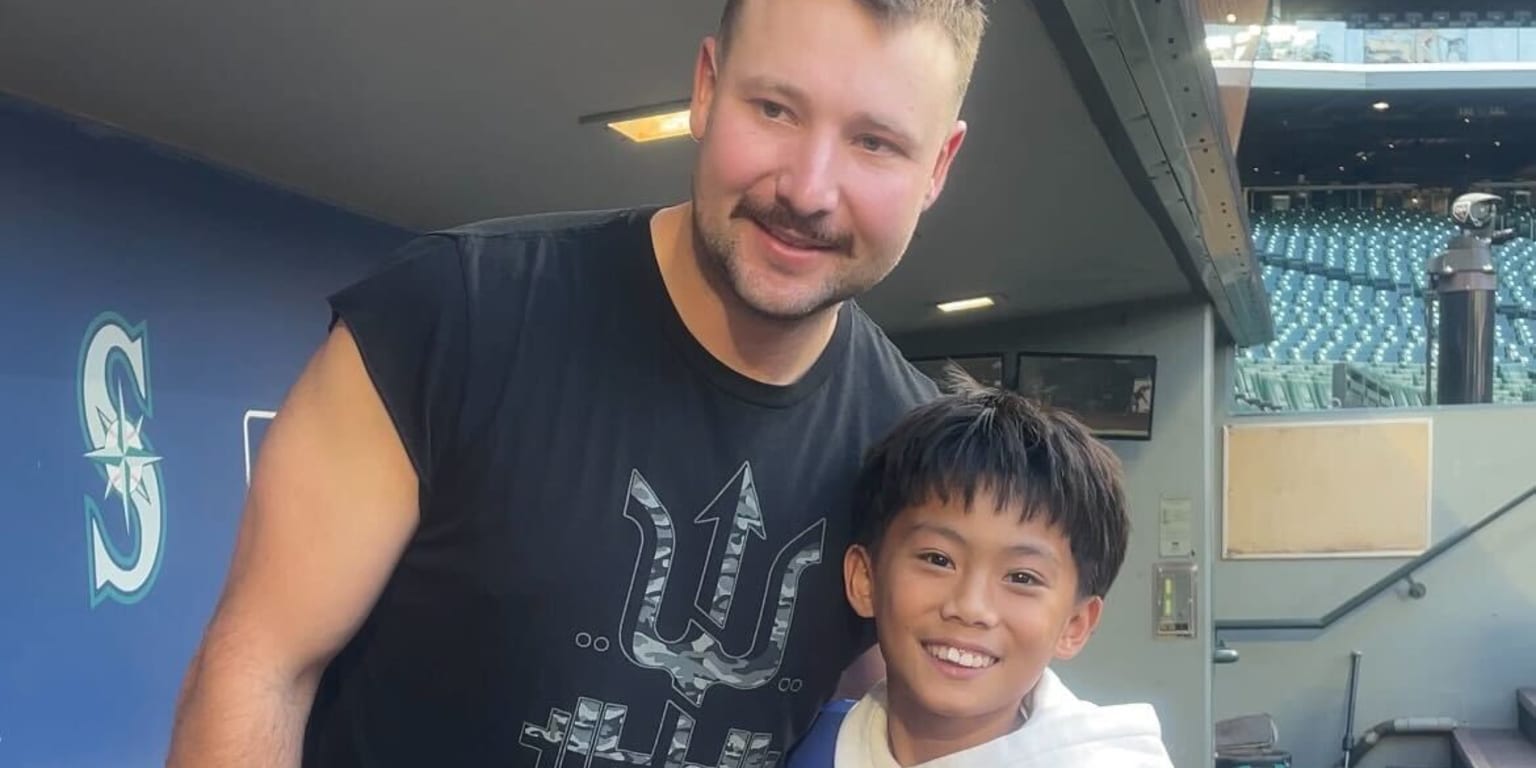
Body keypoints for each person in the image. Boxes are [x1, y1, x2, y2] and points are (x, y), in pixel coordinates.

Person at [165, 0, 988, 765]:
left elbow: (893, 724)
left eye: (875, 142)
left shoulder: (916, 453)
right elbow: (260, 665)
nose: (808, 189)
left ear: (940, 166)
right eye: (775, 109)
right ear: (705, 89)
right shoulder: (457, 312)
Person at [786, 373, 1173, 766]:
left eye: (1022, 578)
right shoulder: (811, 746)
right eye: (938, 559)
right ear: (865, 579)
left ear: (1075, 624)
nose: (970, 607)